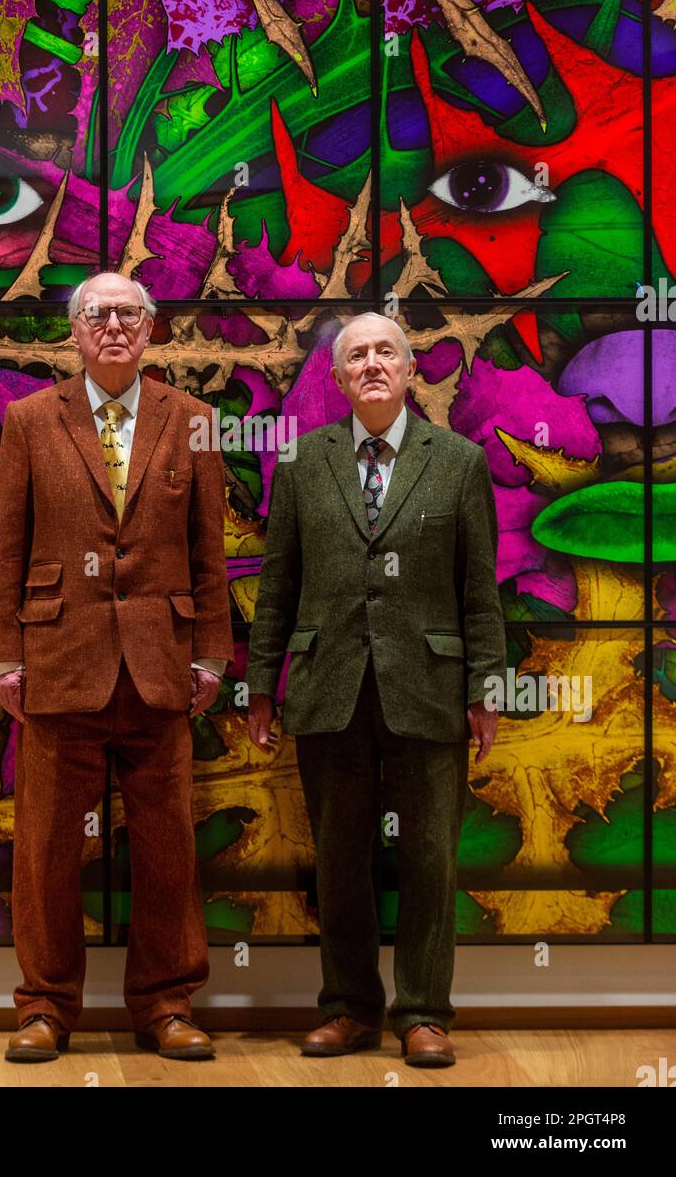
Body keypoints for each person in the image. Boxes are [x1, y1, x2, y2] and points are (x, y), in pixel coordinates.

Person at [0, 272, 234, 1062]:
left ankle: (165, 1004)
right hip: (58, 663)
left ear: (151, 328)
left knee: (167, 849)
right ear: (76, 331)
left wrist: (213, 653)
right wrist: (5, 655)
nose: (114, 325)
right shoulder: (29, 420)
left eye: (129, 313)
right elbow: (6, 550)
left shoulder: (193, 421)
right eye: (98, 314)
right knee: (46, 851)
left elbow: (208, 551)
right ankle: (45, 1007)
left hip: (162, 666)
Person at [245, 312, 506, 1066]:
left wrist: (486, 685)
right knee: (338, 860)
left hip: (428, 687)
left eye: (385, 351)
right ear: (336, 377)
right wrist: (260, 684)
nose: (371, 364)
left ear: (408, 367)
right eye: (355, 354)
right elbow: (277, 585)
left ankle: (423, 1013)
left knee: (430, 858)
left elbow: (478, 588)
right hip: (328, 687)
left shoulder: (458, 462)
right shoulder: (302, 463)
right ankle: (349, 1008)